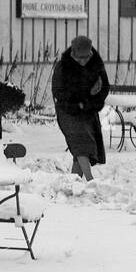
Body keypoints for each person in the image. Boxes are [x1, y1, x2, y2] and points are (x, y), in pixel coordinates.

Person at [51, 35, 110, 181]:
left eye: (86, 58)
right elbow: (58, 91)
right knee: (81, 142)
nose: (83, 62)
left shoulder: (96, 65)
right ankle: (90, 179)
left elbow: (104, 88)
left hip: (88, 110)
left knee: (84, 146)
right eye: (79, 59)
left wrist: (92, 101)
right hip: (68, 110)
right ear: (73, 54)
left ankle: (73, 181)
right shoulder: (63, 66)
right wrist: (76, 102)